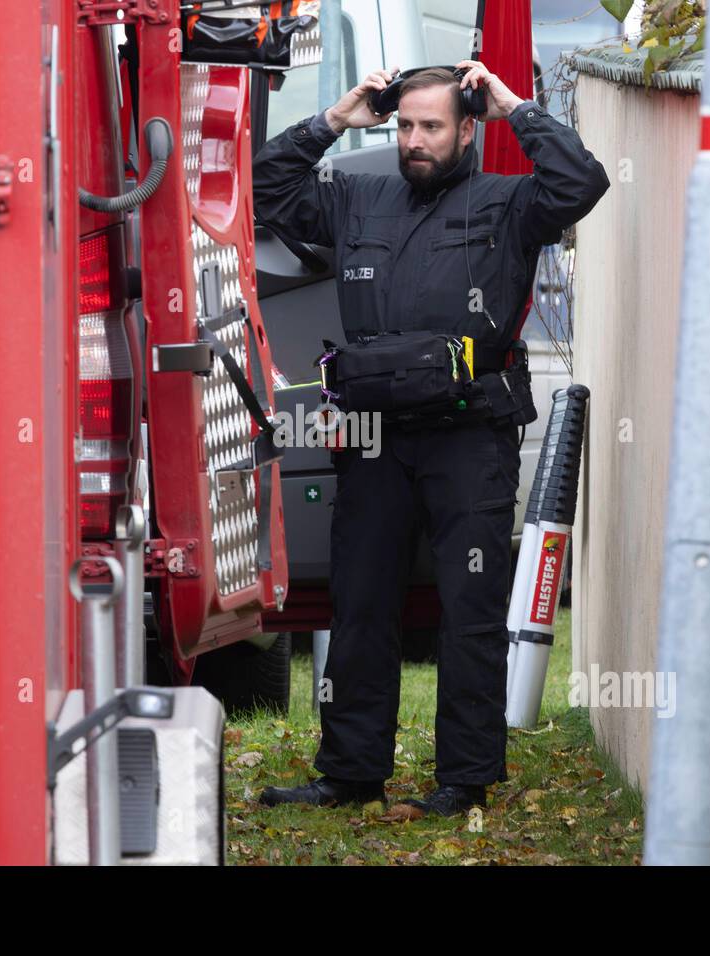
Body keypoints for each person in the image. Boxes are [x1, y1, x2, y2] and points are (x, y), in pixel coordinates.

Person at [253, 61, 608, 816]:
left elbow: (582, 183)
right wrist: (333, 121)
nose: (414, 141)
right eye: (405, 126)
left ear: (467, 129)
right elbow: (263, 190)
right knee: (361, 604)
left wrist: (518, 107)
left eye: (432, 127)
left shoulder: (511, 203)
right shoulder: (357, 196)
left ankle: (463, 778)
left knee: (468, 605)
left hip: (469, 434)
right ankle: (350, 773)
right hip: (375, 435)